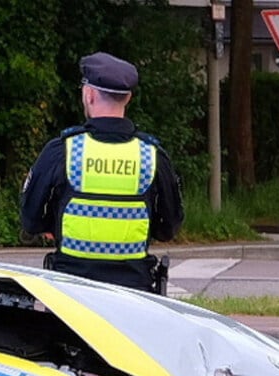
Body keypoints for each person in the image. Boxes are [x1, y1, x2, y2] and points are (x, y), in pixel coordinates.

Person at [20, 52, 183, 293]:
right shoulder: (152, 155)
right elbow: (169, 227)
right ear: (128, 98)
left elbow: (31, 220)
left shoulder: (63, 150)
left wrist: (55, 226)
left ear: (89, 94)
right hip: (134, 290)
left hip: (71, 291)